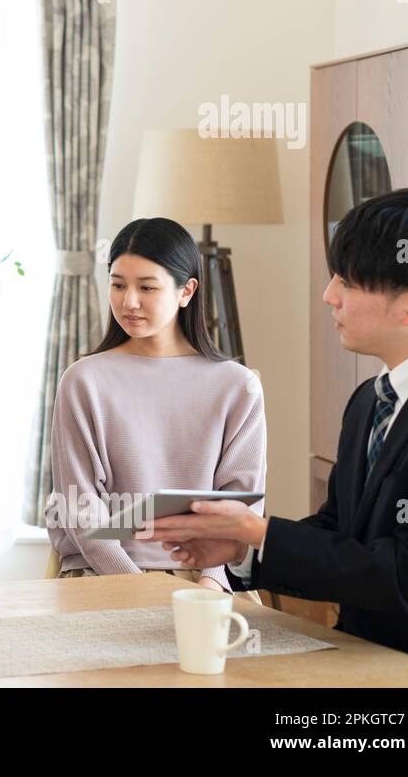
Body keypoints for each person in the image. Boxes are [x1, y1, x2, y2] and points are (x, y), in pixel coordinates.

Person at [147, 187, 408, 667]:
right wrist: (244, 548)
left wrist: (259, 531)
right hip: (355, 653)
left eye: (348, 283)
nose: (329, 295)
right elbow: (341, 531)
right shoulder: (368, 400)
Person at [46, 217, 266, 599]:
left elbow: (241, 502)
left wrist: (211, 580)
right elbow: (81, 507)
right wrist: (139, 588)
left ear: (186, 291)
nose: (129, 302)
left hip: (202, 581)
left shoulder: (237, 385)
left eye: (147, 287)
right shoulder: (84, 380)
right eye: (117, 285)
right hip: (102, 575)